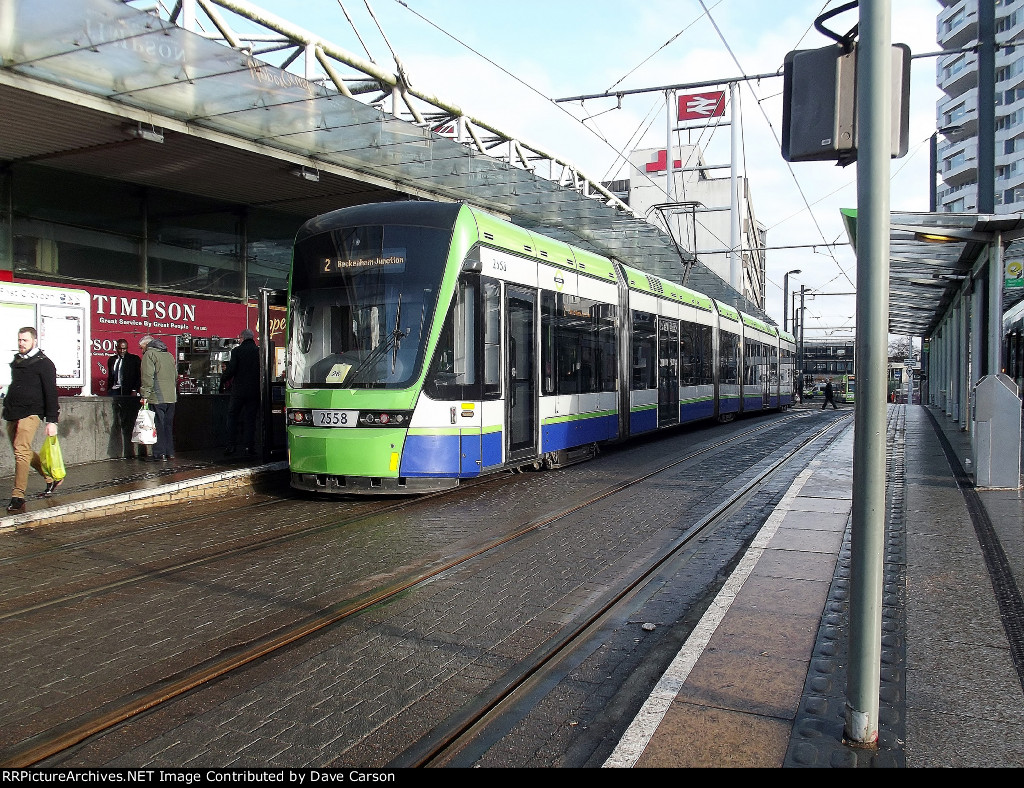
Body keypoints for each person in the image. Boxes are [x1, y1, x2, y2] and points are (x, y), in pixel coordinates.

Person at [3, 327, 62, 514]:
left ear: (34, 341)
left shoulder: (44, 364)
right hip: (13, 411)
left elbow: (51, 393)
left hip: (31, 412)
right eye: (19, 340)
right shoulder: (17, 360)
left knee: (21, 452)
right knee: (23, 450)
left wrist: (52, 420)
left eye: (25, 340)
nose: (21, 343)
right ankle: (50, 477)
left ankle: (18, 496)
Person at [220, 328, 260, 456]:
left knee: (232, 417)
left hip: (239, 391)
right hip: (254, 391)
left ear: (242, 338)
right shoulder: (258, 351)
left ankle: (231, 445)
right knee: (250, 419)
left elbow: (231, 369)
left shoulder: (237, 351)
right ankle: (249, 447)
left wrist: (222, 379)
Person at [139, 335, 177, 461]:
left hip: (157, 396)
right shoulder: (169, 355)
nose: (141, 350)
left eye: (141, 347)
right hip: (171, 397)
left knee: (158, 425)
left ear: (147, 345)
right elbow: (175, 375)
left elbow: (147, 377)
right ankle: (170, 453)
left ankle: (159, 453)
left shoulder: (149, 355)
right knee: (168, 426)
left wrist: (144, 395)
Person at [106, 338, 145, 459]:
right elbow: (110, 375)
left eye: (124, 349)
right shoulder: (112, 360)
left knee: (130, 423)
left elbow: (138, 376)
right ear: (116, 348)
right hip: (115, 391)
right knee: (117, 422)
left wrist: (134, 389)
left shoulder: (133, 359)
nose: (122, 351)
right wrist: (109, 388)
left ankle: (131, 452)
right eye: (120, 348)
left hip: (129, 393)